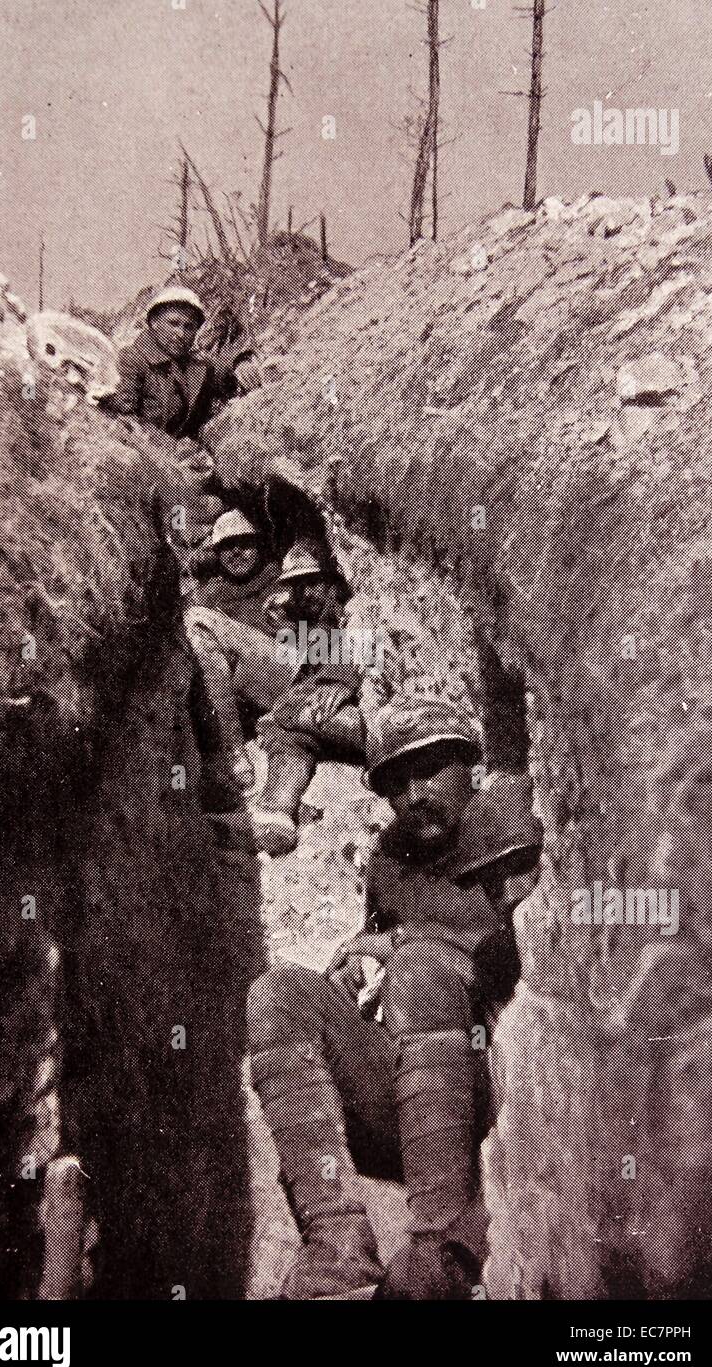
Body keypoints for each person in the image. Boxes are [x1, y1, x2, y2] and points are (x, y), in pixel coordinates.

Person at [246, 670, 543, 1299]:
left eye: (430, 770)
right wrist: (356, 962)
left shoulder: (507, 826)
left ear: (468, 766)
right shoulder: (386, 861)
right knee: (279, 992)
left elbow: (506, 953)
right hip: (400, 1090)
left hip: (481, 1090)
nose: (413, 795)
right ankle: (337, 1247)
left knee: (419, 968)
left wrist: (404, 948)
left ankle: (447, 1248)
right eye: (397, 783)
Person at [250, 543, 367, 856]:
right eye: (295, 587)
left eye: (312, 582)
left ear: (332, 581)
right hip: (325, 719)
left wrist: (340, 680)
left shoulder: (352, 607)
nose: (305, 594)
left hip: (372, 722)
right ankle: (277, 813)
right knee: (287, 735)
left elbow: (363, 639)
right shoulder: (310, 622)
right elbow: (281, 621)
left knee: (286, 712)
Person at [183, 509, 288, 790]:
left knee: (197, 620)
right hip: (254, 690)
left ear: (259, 545)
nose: (237, 552)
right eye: (227, 546)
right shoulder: (212, 593)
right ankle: (221, 757)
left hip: (292, 672)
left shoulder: (281, 577)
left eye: (244, 543)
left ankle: (234, 752)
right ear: (216, 554)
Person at [104, 287, 243, 439]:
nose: (181, 334)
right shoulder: (131, 359)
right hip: (146, 452)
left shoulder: (198, 364)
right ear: (154, 323)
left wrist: (242, 364)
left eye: (189, 327)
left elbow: (227, 373)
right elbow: (126, 419)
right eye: (173, 323)